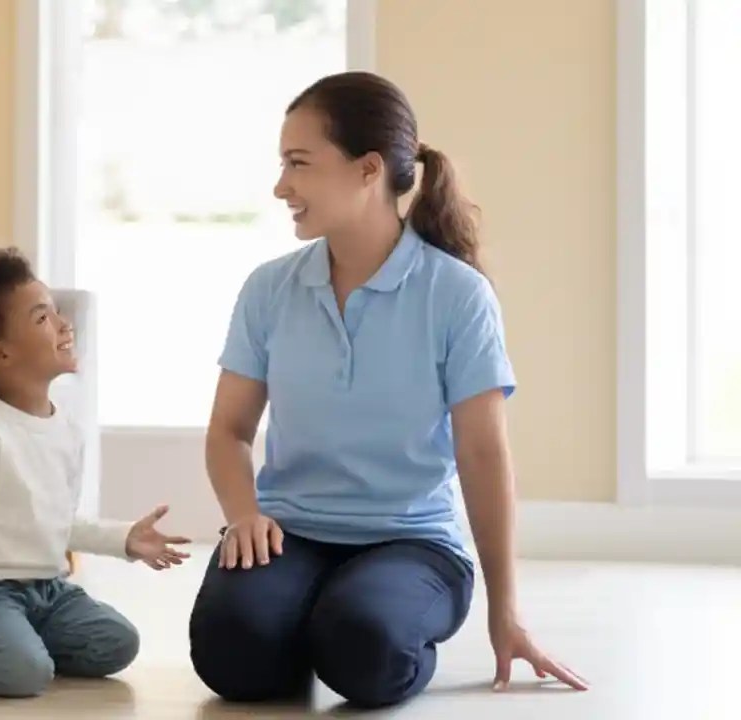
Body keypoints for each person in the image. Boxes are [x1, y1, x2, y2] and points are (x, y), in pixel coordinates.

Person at [187, 71, 589, 709]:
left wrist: (505, 611)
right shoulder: (269, 289)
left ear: (368, 169)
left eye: (299, 163)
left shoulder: (456, 294)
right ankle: (308, 617)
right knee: (231, 654)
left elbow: (483, 455)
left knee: (366, 650)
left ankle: (347, 617)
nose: (281, 186)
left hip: (412, 541)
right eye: (282, 164)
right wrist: (244, 516)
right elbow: (228, 430)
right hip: (291, 531)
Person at [0, 248, 191, 700]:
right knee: (23, 676)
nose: (64, 324)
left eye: (55, 311)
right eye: (42, 318)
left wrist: (124, 539)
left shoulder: (66, 429)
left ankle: (11, 639)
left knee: (117, 643)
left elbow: (57, 524)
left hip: (48, 590)